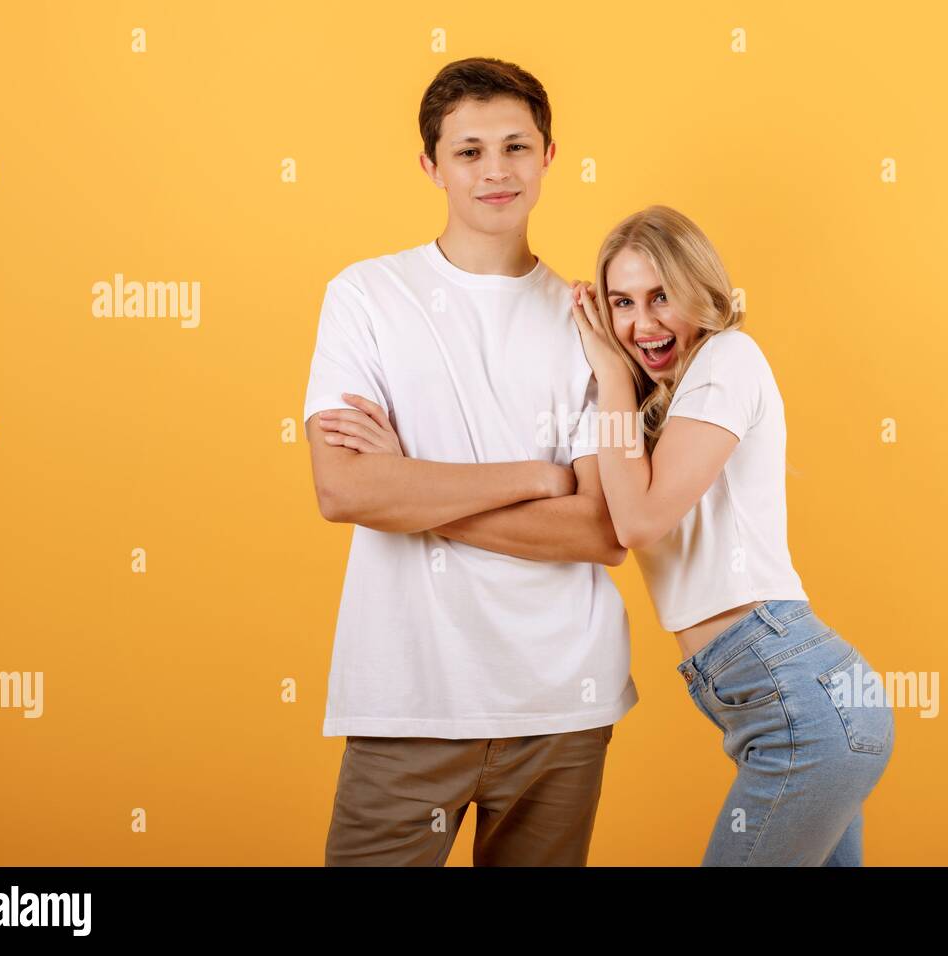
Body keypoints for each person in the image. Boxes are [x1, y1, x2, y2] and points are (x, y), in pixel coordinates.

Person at [302, 57, 637, 866]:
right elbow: (344, 486)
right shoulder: (366, 295)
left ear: (549, 156)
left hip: (563, 705)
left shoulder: (588, 320)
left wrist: (412, 487)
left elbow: (600, 529)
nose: (496, 170)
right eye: (470, 151)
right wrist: (538, 476)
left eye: (517, 147)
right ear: (431, 166)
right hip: (409, 700)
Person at [566, 205, 894, 866]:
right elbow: (591, 506)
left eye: (662, 296)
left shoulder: (728, 359)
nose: (642, 323)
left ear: (701, 291)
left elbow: (636, 522)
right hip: (783, 696)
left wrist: (606, 367)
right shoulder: (649, 403)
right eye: (622, 303)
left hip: (796, 693)